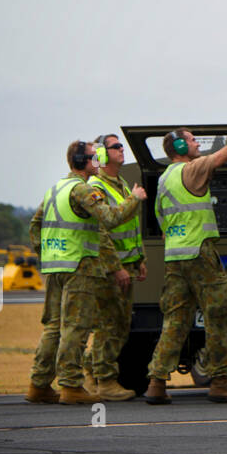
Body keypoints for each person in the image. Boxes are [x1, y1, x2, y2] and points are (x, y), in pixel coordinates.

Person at [144, 100, 227, 404]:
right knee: (219, 316)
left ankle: (156, 382)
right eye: (191, 139)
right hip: (200, 254)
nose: (196, 144)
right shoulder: (193, 169)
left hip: (174, 257)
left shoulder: (164, 179)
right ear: (179, 145)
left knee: (175, 321)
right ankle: (219, 381)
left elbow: (163, 222)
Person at [25, 140, 145, 404]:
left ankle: (39, 384)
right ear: (82, 161)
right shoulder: (82, 190)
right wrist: (134, 199)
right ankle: (71, 386)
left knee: (54, 326)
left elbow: (35, 227)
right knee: (76, 327)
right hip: (80, 266)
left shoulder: (55, 189)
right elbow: (111, 218)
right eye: (93, 157)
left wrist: (48, 254)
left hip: (55, 266)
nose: (98, 160)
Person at [81, 133, 146, 401]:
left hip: (127, 264)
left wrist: (139, 257)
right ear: (103, 154)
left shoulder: (119, 183)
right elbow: (103, 231)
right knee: (109, 326)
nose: (122, 150)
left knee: (120, 325)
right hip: (109, 268)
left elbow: (130, 226)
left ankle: (92, 371)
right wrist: (116, 266)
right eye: (116, 146)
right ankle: (105, 380)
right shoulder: (97, 186)